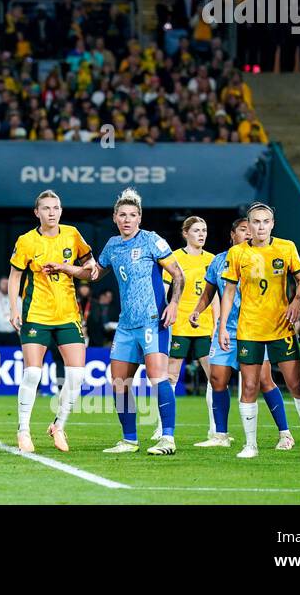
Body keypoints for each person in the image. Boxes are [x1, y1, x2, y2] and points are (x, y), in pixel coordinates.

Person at [198, 203, 300, 460]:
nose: (260, 226)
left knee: (297, 385)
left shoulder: (286, 247)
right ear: (250, 223)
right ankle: (250, 445)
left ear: (272, 224)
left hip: (280, 328)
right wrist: (223, 326)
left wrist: (297, 302)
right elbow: (229, 291)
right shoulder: (236, 254)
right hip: (249, 330)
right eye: (255, 222)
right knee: (248, 386)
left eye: (265, 221)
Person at [87, 188, 185, 456]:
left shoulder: (152, 241)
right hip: (126, 324)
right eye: (122, 215)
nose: (127, 219)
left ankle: (167, 439)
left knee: (157, 377)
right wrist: (66, 268)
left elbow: (178, 274)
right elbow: (94, 274)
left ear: (139, 217)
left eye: (132, 215)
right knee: (119, 382)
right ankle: (129, 440)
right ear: (115, 218)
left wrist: (174, 304)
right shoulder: (112, 245)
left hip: (153, 321)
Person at [187, 218, 292, 448]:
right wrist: (197, 311)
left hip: (254, 330)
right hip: (226, 330)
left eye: (251, 229)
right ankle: (221, 436)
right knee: (217, 379)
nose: (248, 233)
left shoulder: (259, 259)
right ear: (232, 234)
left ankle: (285, 434)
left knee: (264, 380)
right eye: (243, 229)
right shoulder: (218, 261)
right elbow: (208, 292)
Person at [8, 189, 94, 453]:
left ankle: (59, 425)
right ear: (37, 212)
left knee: (77, 375)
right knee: (33, 372)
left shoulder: (72, 234)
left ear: (61, 211)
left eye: (55, 208)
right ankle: (23, 430)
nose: (52, 212)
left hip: (68, 314)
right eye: (46, 208)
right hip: (37, 314)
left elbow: (90, 271)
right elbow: (14, 277)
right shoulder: (26, 241)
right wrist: (14, 309)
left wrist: (68, 268)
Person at [163, 216, 218, 442]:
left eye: (204, 230)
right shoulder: (174, 257)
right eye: (196, 230)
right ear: (185, 233)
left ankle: (216, 429)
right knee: (171, 376)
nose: (201, 234)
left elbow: (215, 295)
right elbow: (165, 291)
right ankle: (162, 427)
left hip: (205, 326)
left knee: (214, 378)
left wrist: (217, 324)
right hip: (180, 325)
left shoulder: (213, 259)